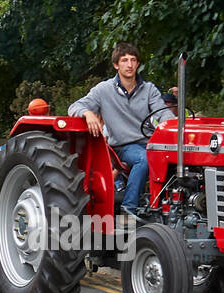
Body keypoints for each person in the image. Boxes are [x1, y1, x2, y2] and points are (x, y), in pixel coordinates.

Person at [68, 43, 173, 216]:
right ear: (116, 65)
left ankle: (170, 208)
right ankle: (128, 210)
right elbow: (75, 106)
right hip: (123, 146)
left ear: (138, 64)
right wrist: (87, 113)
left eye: (133, 60)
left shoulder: (149, 90)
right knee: (144, 159)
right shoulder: (104, 90)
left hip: (150, 144)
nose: (129, 64)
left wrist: (173, 125)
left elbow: (163, 115)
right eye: (124, 60)